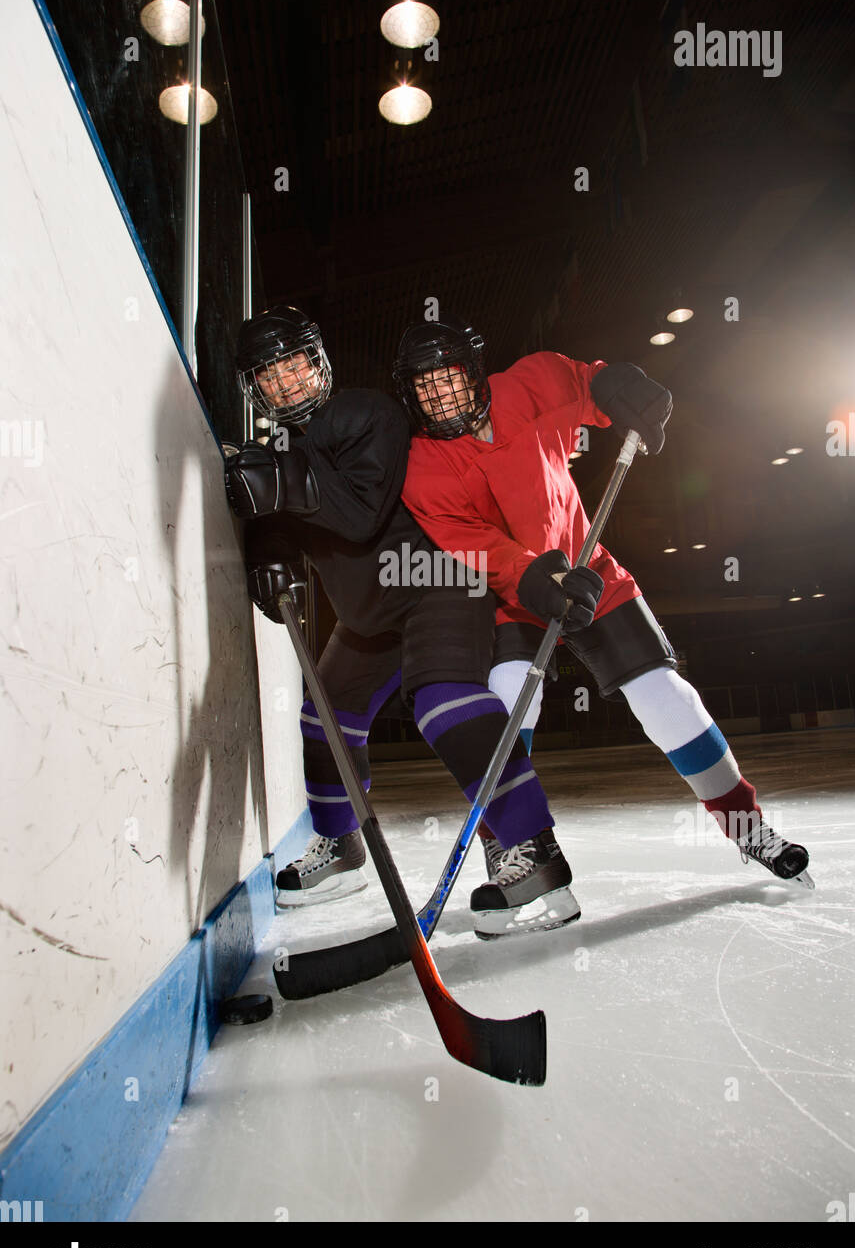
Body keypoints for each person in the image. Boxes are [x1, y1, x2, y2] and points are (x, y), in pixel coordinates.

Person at [393, 316, 811, 903]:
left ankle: (748, 826)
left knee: (664, 695)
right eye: (424, 385)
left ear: (474, 370)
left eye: (448, 376)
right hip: (514, 593)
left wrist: (621, 387)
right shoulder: (422, 467)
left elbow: (592, 385)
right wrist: (531, 577)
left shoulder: (533, 381)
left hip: (590, 570)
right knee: (508, 703)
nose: (438, 394)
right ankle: (514, 846)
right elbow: (474, 544)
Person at [223, 305, 585, 933]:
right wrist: (267, 553)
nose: (285, 382)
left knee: (445, 702)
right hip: (368, 616)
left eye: (294, 365)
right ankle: (341, 848)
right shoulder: (280, 451)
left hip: (434, 584)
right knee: (324, 718)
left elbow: (360, 512)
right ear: (256, 388)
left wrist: (278, 481)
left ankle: (532, 849)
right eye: (269, 375)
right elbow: (281, 517)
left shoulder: (368, 414)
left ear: (318, 363)